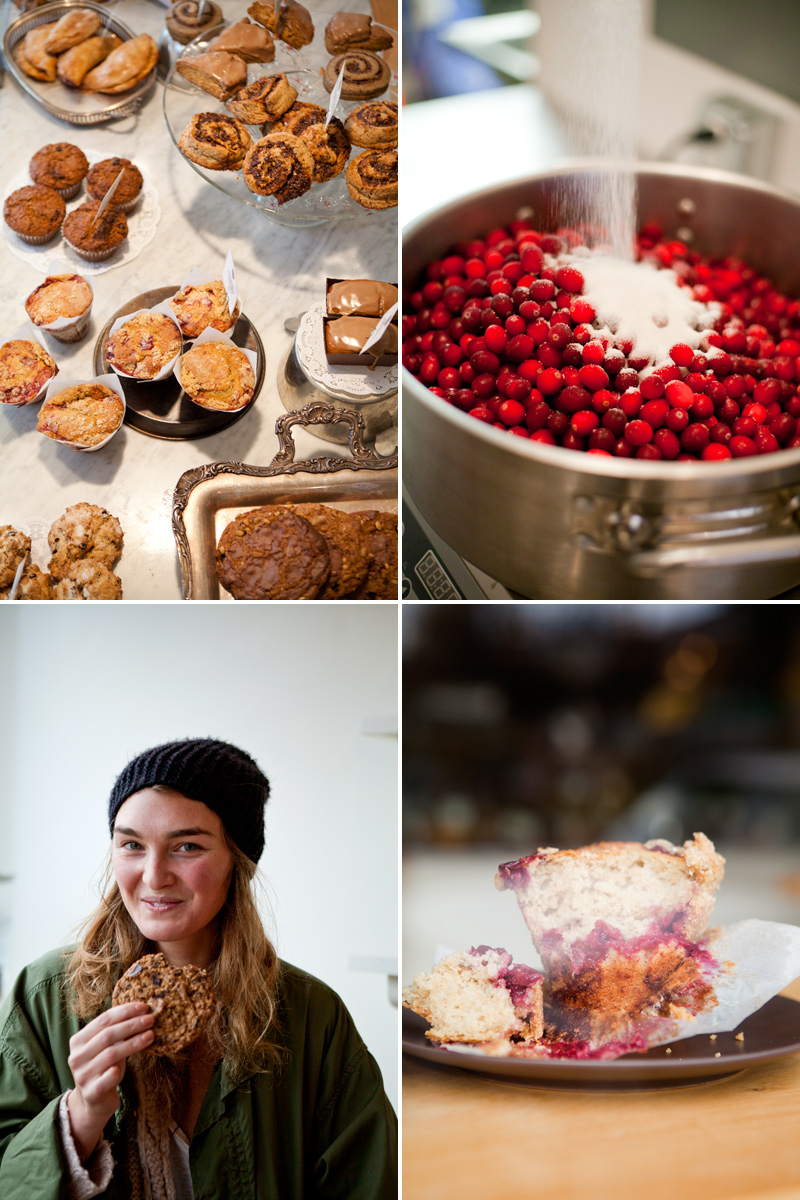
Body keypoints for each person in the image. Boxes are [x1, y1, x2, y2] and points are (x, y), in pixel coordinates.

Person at [0, 738, 397, 1200]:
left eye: (186, 846)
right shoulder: (45, 995)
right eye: (131, 844)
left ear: (237, 861)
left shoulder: (312, 1015)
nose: (153, 875)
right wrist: (79, 1116)